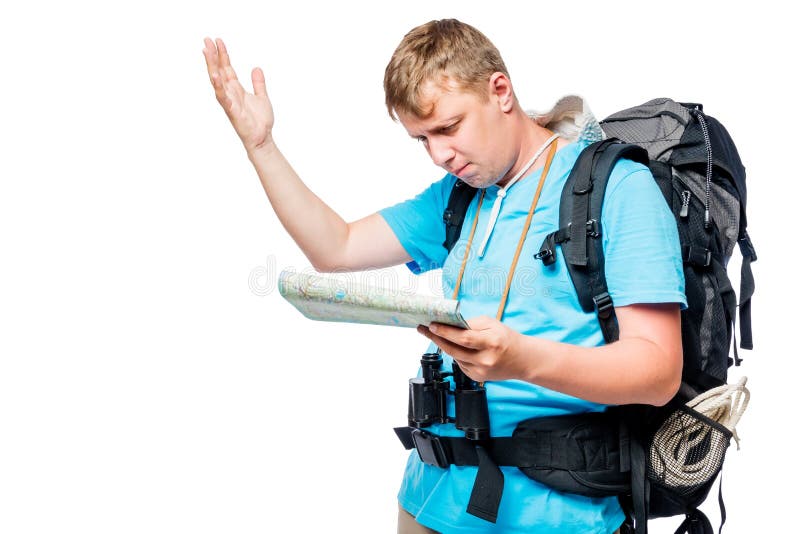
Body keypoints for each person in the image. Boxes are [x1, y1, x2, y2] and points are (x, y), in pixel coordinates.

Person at [203, 18, 685, 534]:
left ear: (500, 91)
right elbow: (335, 247)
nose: (439, 155)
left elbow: (658, 373)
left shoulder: (618, 187)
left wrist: (523, 359)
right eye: (422, 139)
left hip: (554, 516)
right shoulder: (459, 197)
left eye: (449, 127)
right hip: (428, 500)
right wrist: (261, 146)